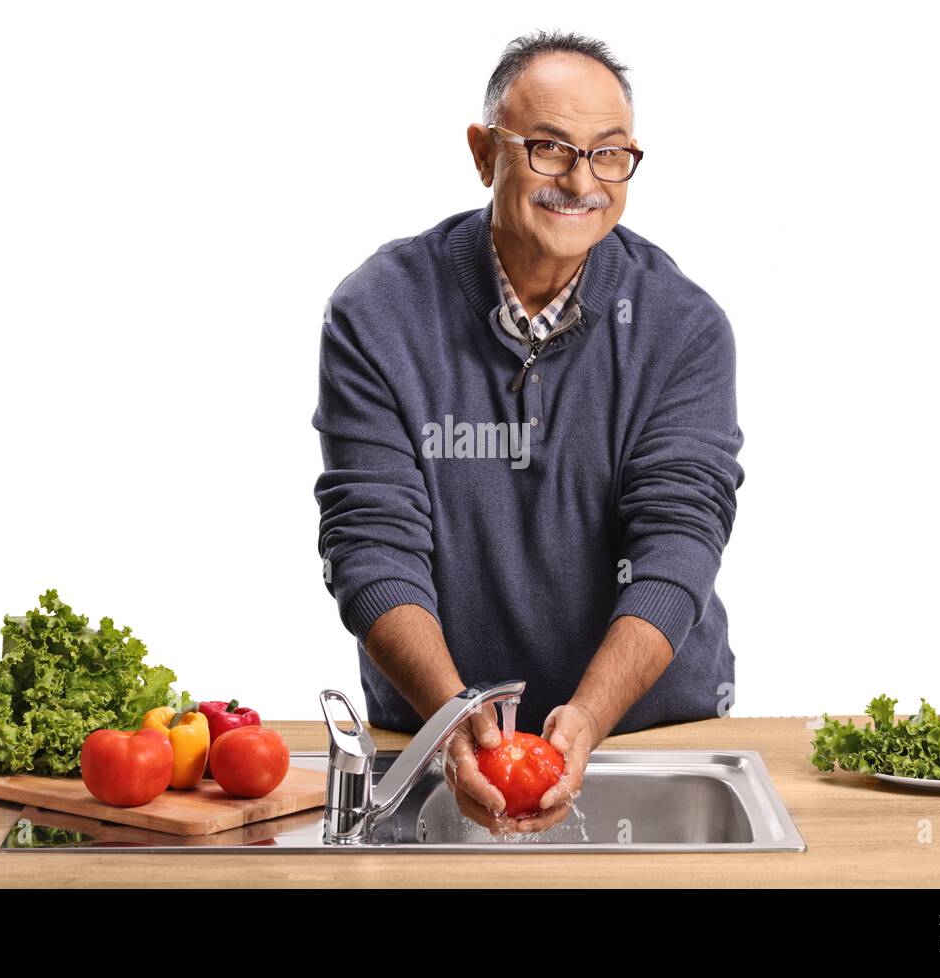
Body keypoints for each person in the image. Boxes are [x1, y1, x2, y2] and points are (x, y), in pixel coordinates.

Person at [311, 30, 745, 835]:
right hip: (434, 734)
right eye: (548, 149)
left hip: (652, 740)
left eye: (610, 154)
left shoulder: (683, 327)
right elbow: (371, 544)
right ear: (484, 153)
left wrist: (588, 713)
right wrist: (451, 718)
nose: (581, 181)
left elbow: (679, 541)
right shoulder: (377, 313)